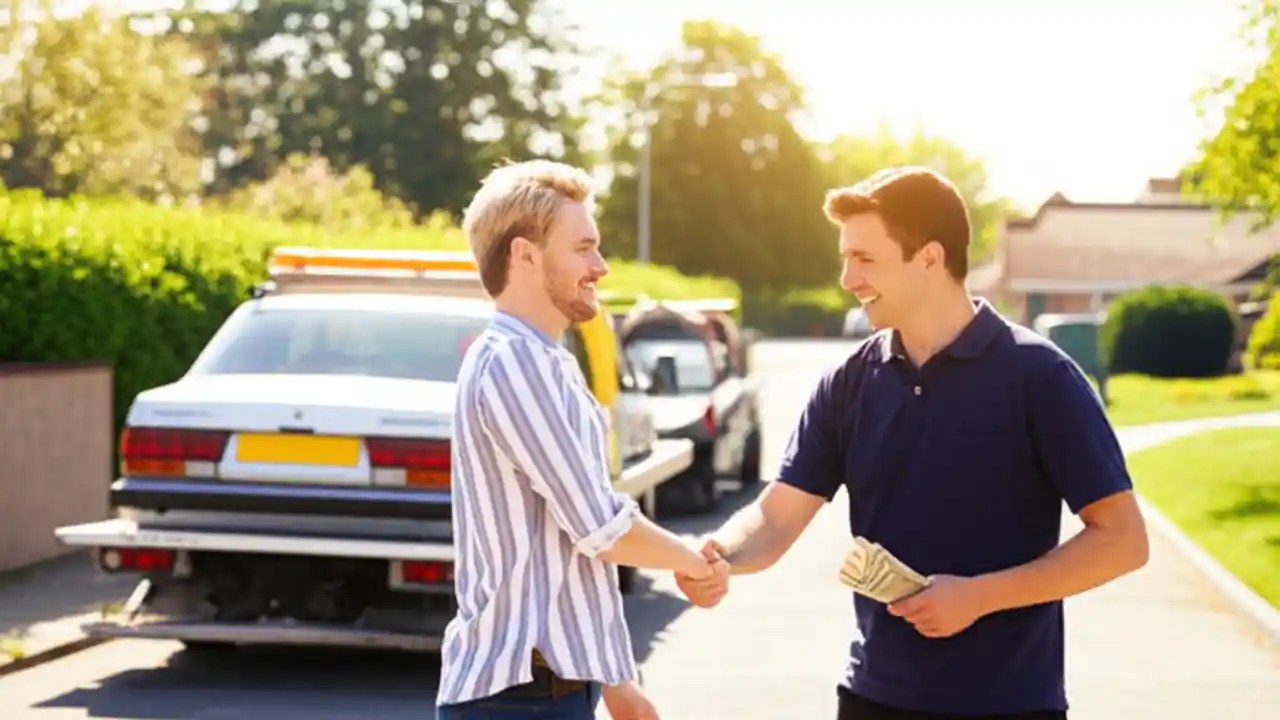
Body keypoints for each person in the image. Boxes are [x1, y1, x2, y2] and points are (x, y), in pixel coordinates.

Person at [675, 166, 1150, 719]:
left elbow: (1123, 540)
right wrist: (722, 554)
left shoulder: (1040, 378)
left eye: (866, 259)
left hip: (1010, 706)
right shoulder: (849, 382)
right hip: (874, 699)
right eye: (846, 258)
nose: (848, 279)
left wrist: (980, 596)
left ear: (930, 258)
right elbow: (777, 518)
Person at [436, 159, 728, 720]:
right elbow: (600, 527)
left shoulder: (548, 362)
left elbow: (566, 550)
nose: (601, 267)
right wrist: (692, 561)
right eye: (583, 248)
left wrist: (617, 683)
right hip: (516, 701)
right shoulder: (514, 364)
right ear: (525, 255)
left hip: (548, 693)